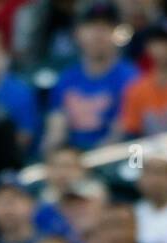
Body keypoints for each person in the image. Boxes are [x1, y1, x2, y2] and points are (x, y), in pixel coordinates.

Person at [42, 0, 138, 152]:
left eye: (107, 26)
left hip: (108, 161)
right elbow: (56, 130)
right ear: (77, 33)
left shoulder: (131, 78)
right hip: (68, 160)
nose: (98, 33)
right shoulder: (67, 78)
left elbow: (119, 133)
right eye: (91, 26)